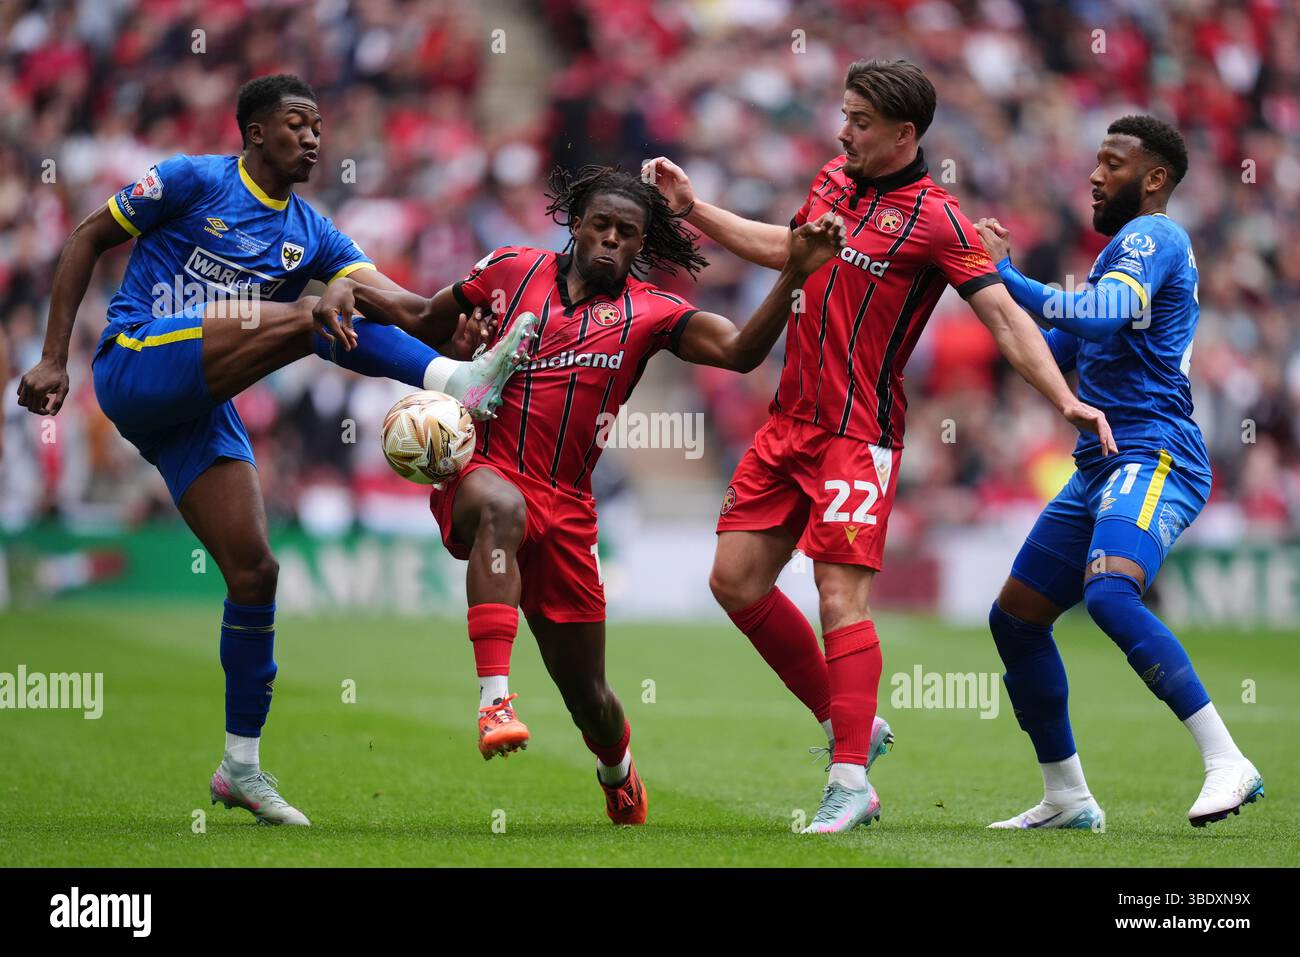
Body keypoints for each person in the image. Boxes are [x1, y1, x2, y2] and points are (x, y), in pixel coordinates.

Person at [14, 74, 535, 826]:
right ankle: (458, 381)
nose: (315, 137)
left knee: (256, 571)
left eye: (320, 125)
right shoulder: (194, 180)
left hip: (196, 404)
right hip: (134, 360)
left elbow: (411, 308)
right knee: (312, 314)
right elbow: (87, 235)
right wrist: (53, 356)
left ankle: (241, 766)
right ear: (255, 132)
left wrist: (473, 299)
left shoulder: (314, 233)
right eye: (298, 123)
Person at [644, 58, 1116, 833]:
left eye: (860, 121)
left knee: (839, 597)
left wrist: (1063, 398)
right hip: (787, 419)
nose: (844, 130)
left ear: (904, 134)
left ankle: (850, 777)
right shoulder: (832, 179)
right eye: (845, 115)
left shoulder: (940, 220)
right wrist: (696, 208)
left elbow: (1003, 317)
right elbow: (783, 247)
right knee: (735, 580)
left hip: (858, 434)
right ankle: (850, 718)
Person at [318, 164, 846, 824]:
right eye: (600, 225)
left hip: (568, 510)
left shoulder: (653, 313)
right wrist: (347, 289)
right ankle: (495, 698)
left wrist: (796, 270)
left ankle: (618, 771)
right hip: (482, 471)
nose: (611, 241)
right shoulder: (509, 268)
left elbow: (740, 352)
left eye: (627, 233)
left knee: (589, 696)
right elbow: (424, 316)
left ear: (642, 243)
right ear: (576, 225)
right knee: (500, 507)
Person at [974, 115, 1263, 830]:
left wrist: (1005, 274)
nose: (1095, 176)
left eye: (1112, 163)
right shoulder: (1115, 259)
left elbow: (1103, 316)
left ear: (1155, 178)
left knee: (1110, 593)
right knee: (1015, 618)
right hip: (1102, 463)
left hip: (1155, 450)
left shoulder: (1153, 237)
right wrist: (972, 289)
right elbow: (1050, 349)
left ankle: (1227, 759)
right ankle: (1067, 796)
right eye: (1095, 161)